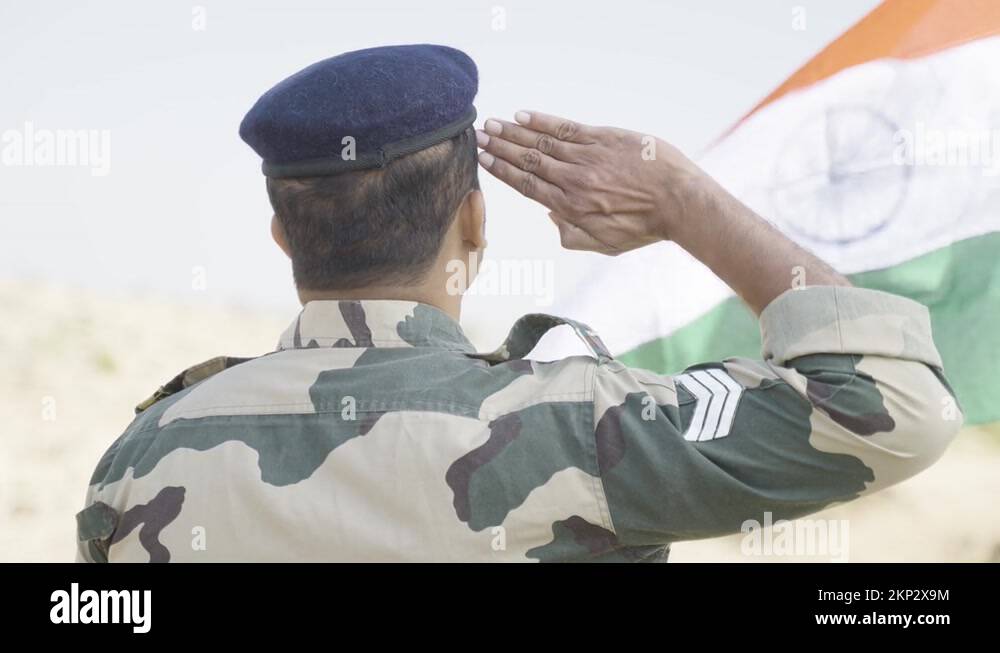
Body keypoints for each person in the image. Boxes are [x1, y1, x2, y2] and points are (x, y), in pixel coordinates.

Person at [76, 44, 961, 562]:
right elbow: (890, 406)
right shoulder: (577, 426)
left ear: (281, 235)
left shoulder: (142, 459)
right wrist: (685, 203)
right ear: (474, 217)